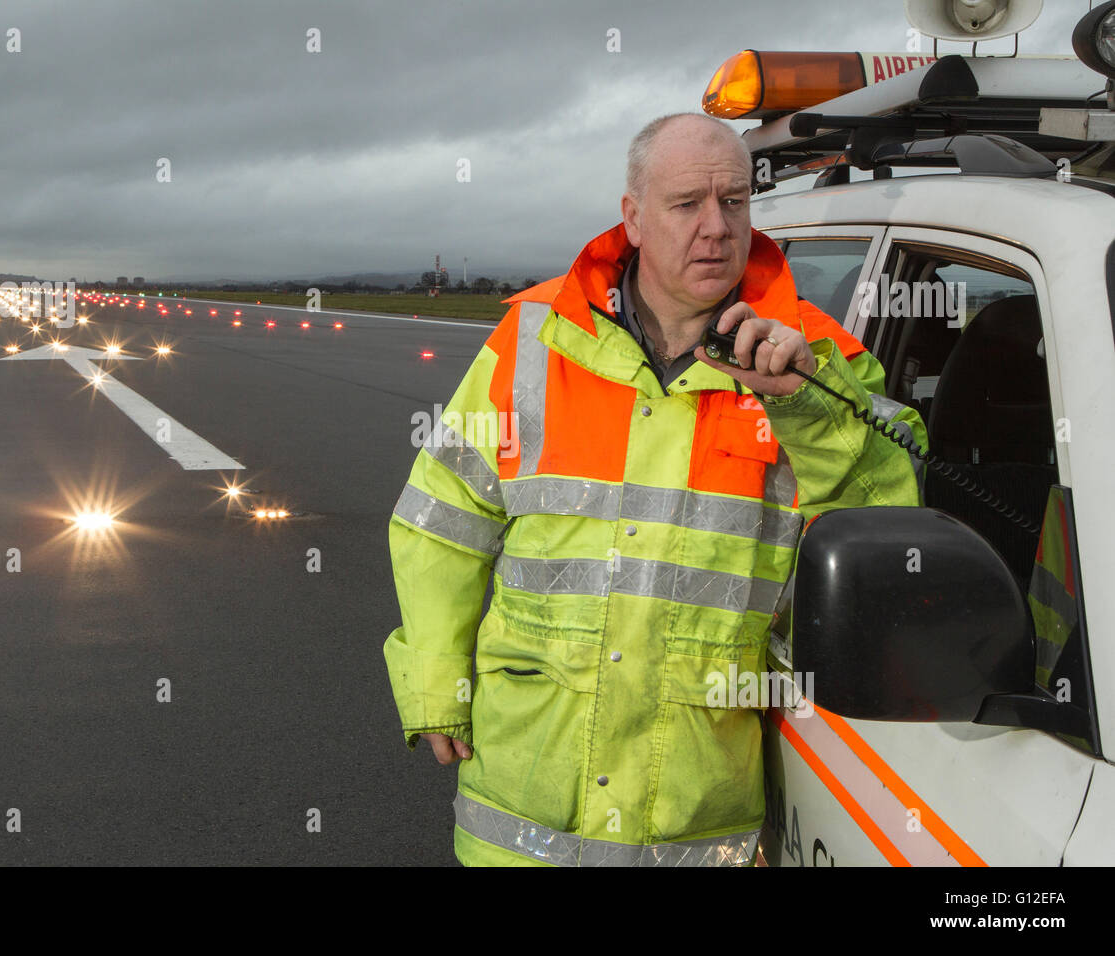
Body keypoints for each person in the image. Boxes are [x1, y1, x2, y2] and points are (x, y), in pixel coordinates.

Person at [383, 112, 926, 867]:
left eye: (734, 202)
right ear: (632, 218)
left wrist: (800, 401)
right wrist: (436, 678)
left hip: (693, 803)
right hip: (524, 793)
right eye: (687, 205)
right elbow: (442, 518)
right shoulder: (534, 337)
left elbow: (892, 528)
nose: (715, 228)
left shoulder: (817, 362)